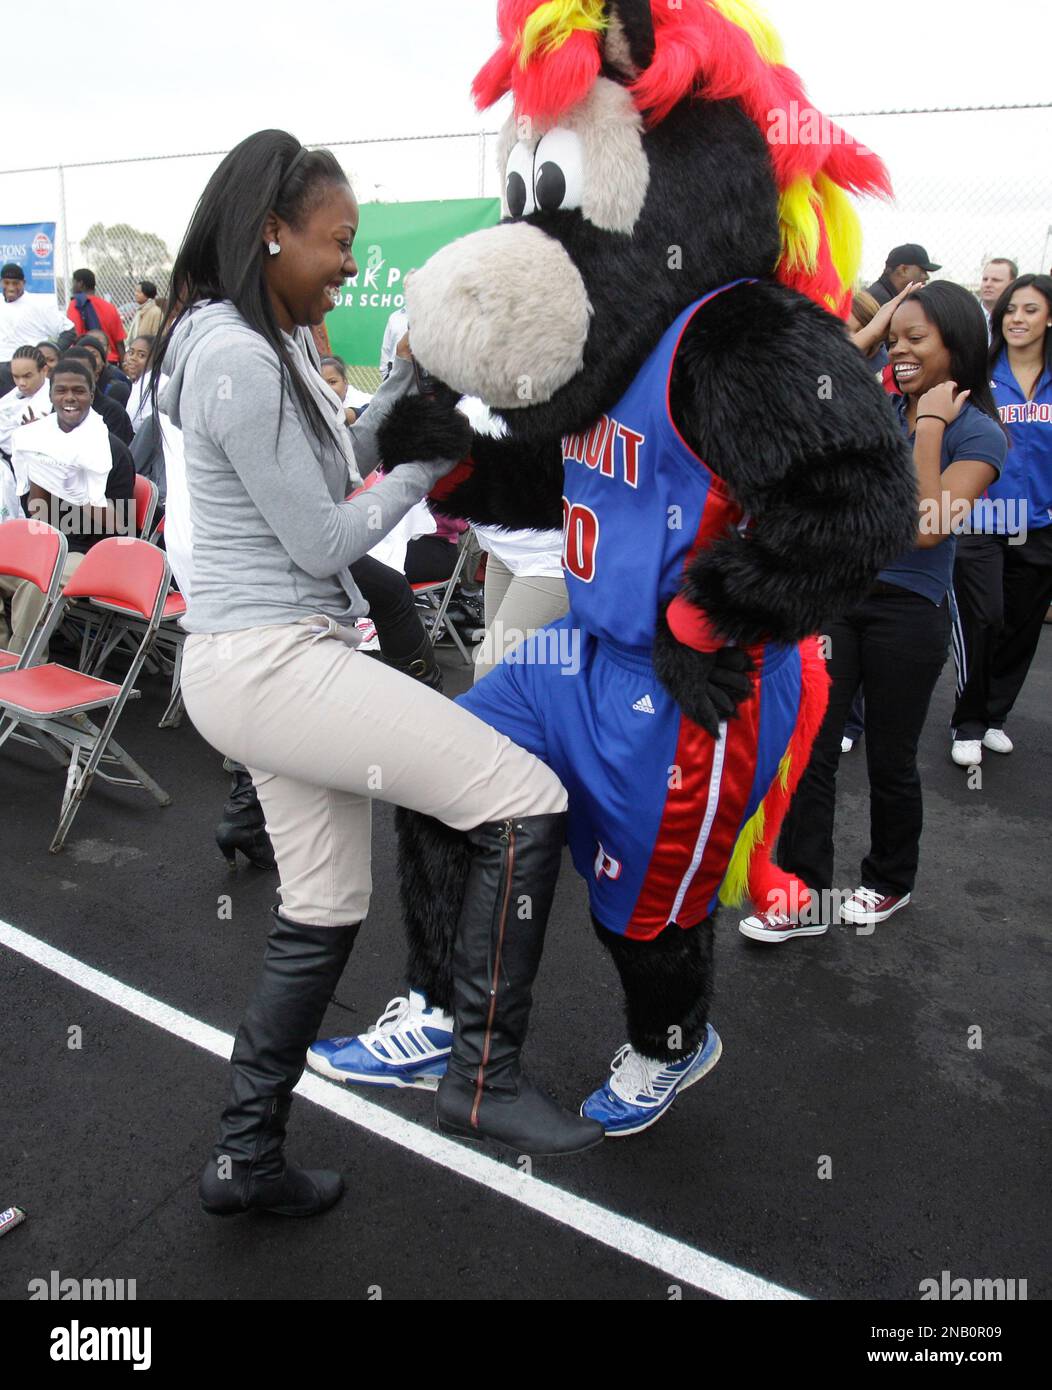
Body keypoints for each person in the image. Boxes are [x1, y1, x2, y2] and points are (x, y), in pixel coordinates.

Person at [157, 128, 601, 1218]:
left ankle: (242, 1157)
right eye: (338, 243)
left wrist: (405, 387)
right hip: (271, 659)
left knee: (323, 901)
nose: (351, 265)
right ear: (270, 232)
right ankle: (482, 1079)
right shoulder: (230, 354)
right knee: (522, 799)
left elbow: (328, 463)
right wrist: (426, 461)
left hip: (260, 659)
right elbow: (321, 536)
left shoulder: (252, 343)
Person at [752, 282, 1006, 942]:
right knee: (809, 752)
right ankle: (801, 892)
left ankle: (889, 882)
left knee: (892, 759)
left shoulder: (978, 432)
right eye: (896, 339)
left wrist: (929, 424)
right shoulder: (880, 406)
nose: (900, 350)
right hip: (840, 601)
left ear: (959, 344)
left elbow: (926, 525)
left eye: (917, 339)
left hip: (910, 614)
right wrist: (880, 326)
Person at [951, 274, 1052, 761]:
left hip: (1043, 525)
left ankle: (995, 716)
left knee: (1022, 627)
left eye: (1030, 310)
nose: (1017, 318)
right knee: (984, 618)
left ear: (1049, 317)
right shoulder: (979, 374)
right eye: (1011, 309)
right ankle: (966, 722)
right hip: (985, 520)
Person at [0, 356, 135, 658]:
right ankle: (5, 659)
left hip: (95, 552)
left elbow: (120, 528)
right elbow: (38, 515)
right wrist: (38, 461)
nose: (69, 398)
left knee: (38, 584)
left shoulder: (112, 450)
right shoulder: (43, 439)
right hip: (48, 544)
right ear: (50, 395)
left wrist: (78, 490)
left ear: (91, 394)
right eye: (61, 390)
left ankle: (21, 675)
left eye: (79, 390)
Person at [0, 263, 73, 393]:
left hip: (28, 371)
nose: (11, 288)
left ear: (24, 283)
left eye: (16, 283)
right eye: (7, 283)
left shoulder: (38, 305)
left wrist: (51, 353)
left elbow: (69, 330)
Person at [64, 345, 134, 445]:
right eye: (68, 372)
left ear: (95, 375)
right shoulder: (60, 406)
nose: (74, 378)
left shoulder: (113, 411)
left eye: (81, 373)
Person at [0, 345, 52, 460]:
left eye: (27, 376)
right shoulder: (10, 398)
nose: (21, 383)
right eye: (16, 377)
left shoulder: (55, 400)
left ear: (44, 370)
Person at [65, 269, 126, 366]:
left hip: (87, 360)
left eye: (74, 283)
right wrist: (124, 365)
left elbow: (74, 335)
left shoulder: (76, 305)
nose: (72, 287)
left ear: (80, 284)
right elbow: (119, 342)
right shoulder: (110, 307)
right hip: (110, 361)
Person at [866, 243, 941, 306]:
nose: (927, 277)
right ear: (903, 270)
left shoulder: (886, 295)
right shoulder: (878, 299)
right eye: (923, 270)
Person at [78, 332, 132, 407]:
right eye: (83, 355)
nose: (89, 360)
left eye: (93, 355)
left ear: (103, 361)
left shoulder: (117, 388)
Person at [319, 353, 371, 425]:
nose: (327, 388)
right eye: (321, 384)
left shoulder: (363, 402)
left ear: (345, 382)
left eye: (332, 382)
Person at [978, 258, 1018, 336]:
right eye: (985, 279)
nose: (988, 284)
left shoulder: (1018, 319)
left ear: (1012, 284)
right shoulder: (965, 316)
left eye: (996, 280)